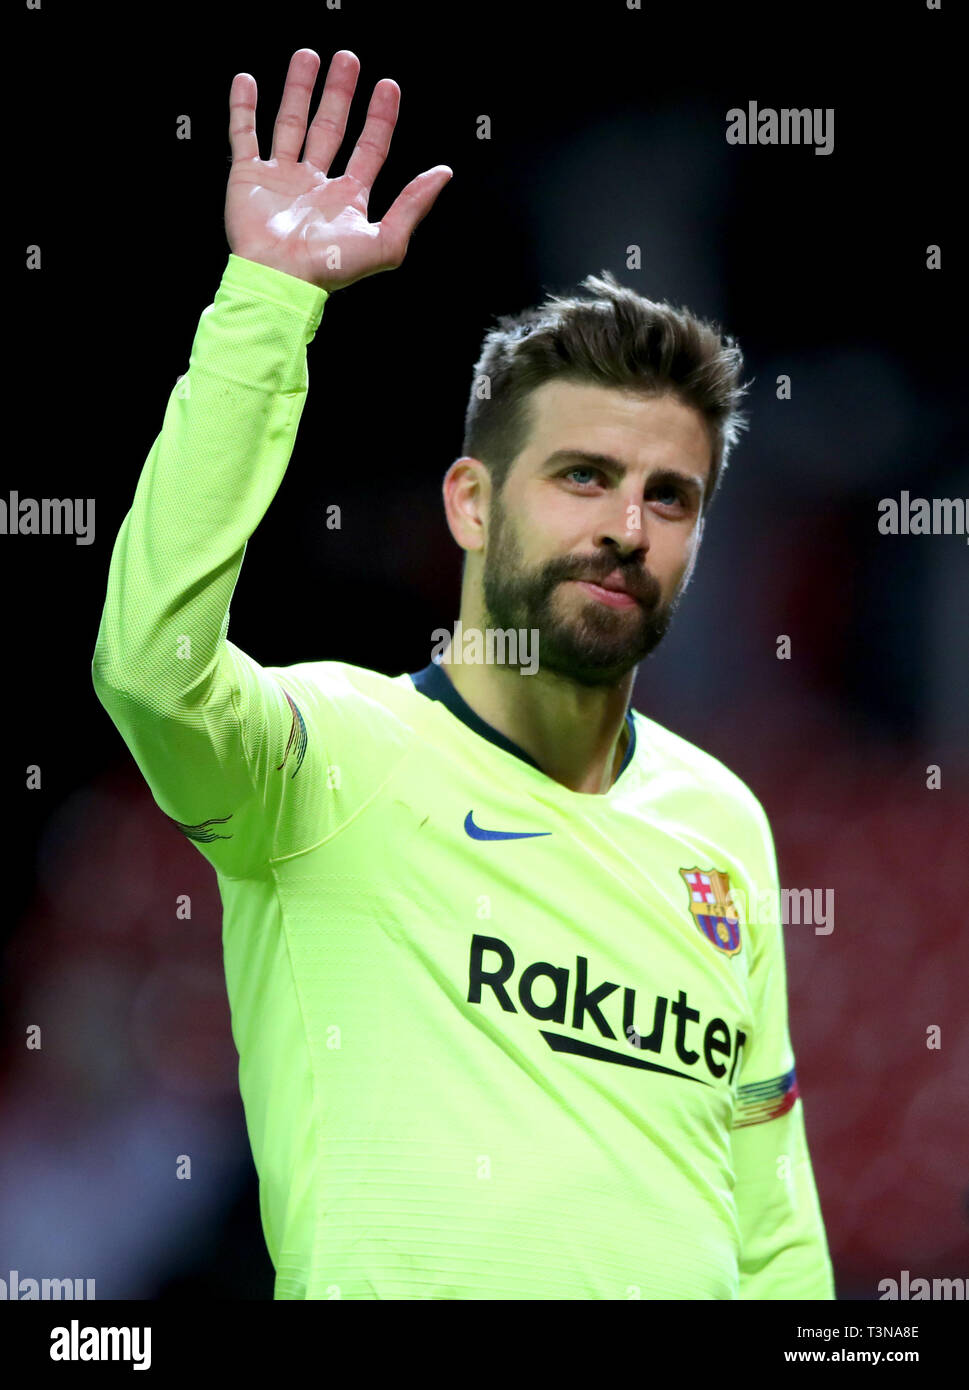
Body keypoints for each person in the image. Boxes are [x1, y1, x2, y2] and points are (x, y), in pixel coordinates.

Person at [92, 46, 834, 1300]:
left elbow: (770, 1222)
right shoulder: (329, 758)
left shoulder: (723, 821)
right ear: (472, 502)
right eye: (582, 477)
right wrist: (266, 304)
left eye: (671, 496)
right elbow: (151, 673)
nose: (626, 528)